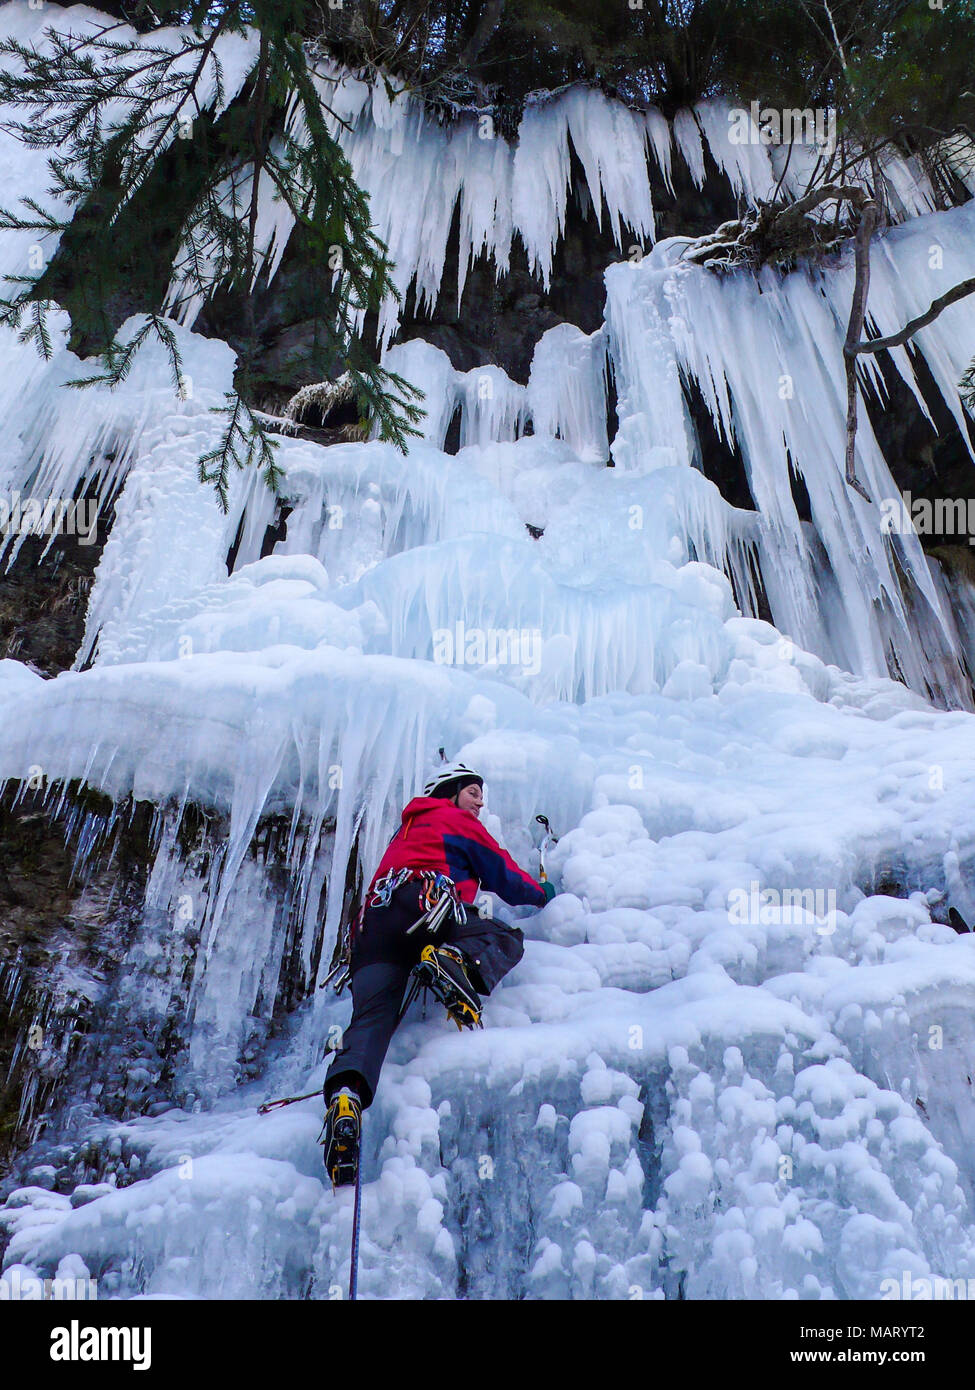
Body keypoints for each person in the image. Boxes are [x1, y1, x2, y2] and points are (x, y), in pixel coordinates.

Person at [320, 762, 555, 1185]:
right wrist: (543, 893)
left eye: (482, 795)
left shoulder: (403, 835)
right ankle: (454, 961)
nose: (479, 802)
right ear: (448, 794)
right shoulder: (451, 819)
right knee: (503, 936)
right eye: (472, 792)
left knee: (371, 1021)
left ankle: (346, 1097)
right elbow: (503, 871)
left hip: (373, 930)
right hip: (425, 903)